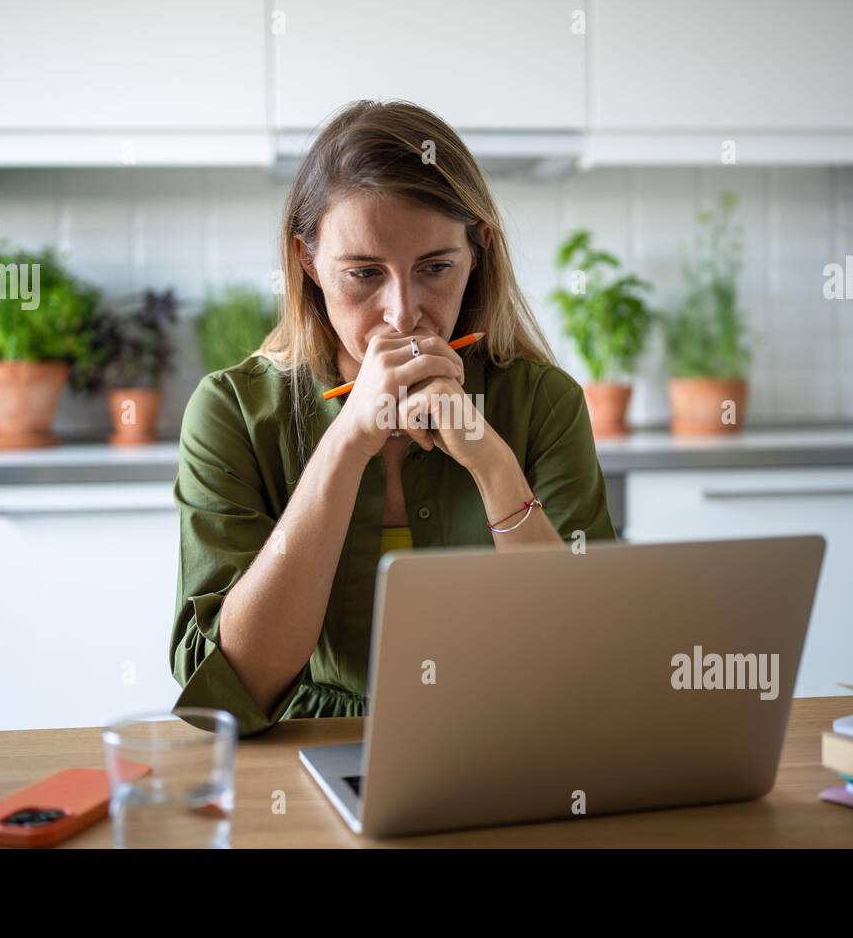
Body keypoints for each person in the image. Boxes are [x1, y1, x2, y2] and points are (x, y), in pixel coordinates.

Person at [170, 99, 616, 736]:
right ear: (307, 262)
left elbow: (585, 656)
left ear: (478, 252)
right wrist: (347, 442)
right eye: (363, 274)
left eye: (435, 268)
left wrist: (491, 464)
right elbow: (233, 691)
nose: (403, 315)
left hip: (504, 737)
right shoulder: (231, 413)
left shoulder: (544, 402)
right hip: (305, 752)